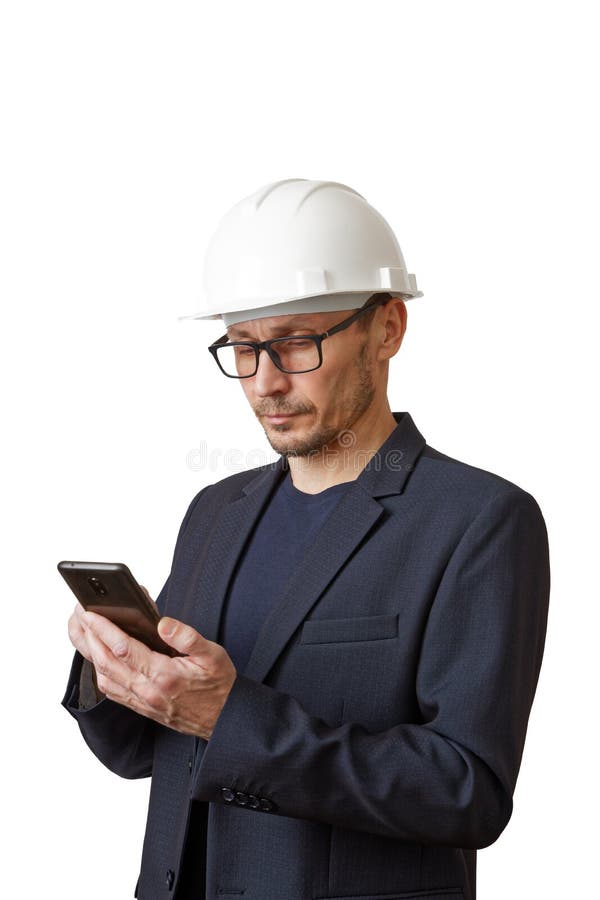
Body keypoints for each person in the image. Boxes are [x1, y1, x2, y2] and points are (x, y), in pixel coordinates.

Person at [62, 179, 550, 900]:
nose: (265, 382)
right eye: (243, 347)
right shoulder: (215, 511)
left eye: (296, 343)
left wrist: (231, 719)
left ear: (387, 328)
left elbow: (467, 791)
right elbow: (144, 753)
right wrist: (113, 670)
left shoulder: (479, 520)